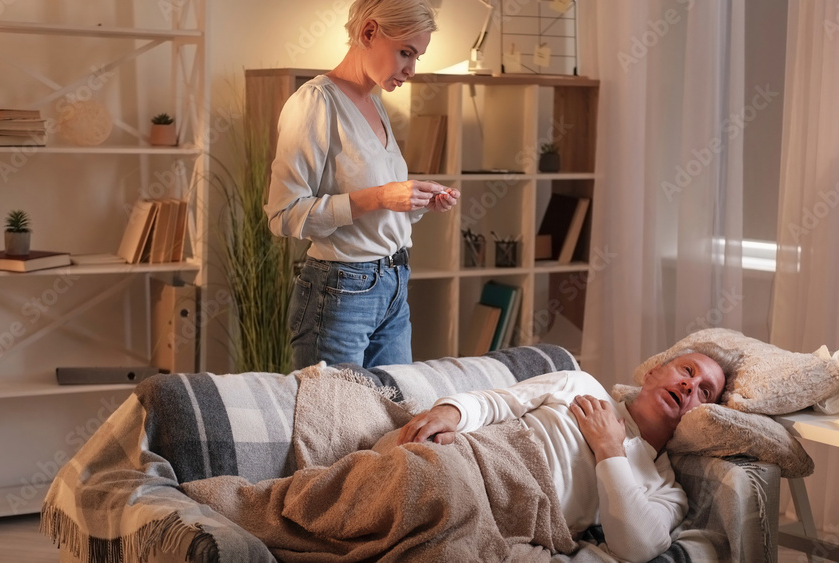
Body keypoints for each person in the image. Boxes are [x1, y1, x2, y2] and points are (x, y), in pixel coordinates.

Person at [396, 341, 741, 562]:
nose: (689, 385)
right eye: (687, 371)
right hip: (473, 456)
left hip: (509, 514)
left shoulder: (665, 487)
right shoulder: (582, 385)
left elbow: (636, 547)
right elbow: (499, 401)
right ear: (652, 373)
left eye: (704, 392)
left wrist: (609, 449)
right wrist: (451, 411)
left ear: (702, 415)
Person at [264, 0, 458, 370]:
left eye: (417, 57)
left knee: (394, 417)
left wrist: (414, 201)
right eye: (406, 53)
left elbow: (375, 208)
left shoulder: (375, 103)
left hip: (394, 285)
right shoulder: (315, 103)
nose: (411, 70)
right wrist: (380, 196)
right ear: (369, 32)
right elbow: (284, 215)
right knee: (336, 424)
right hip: (342, 290)